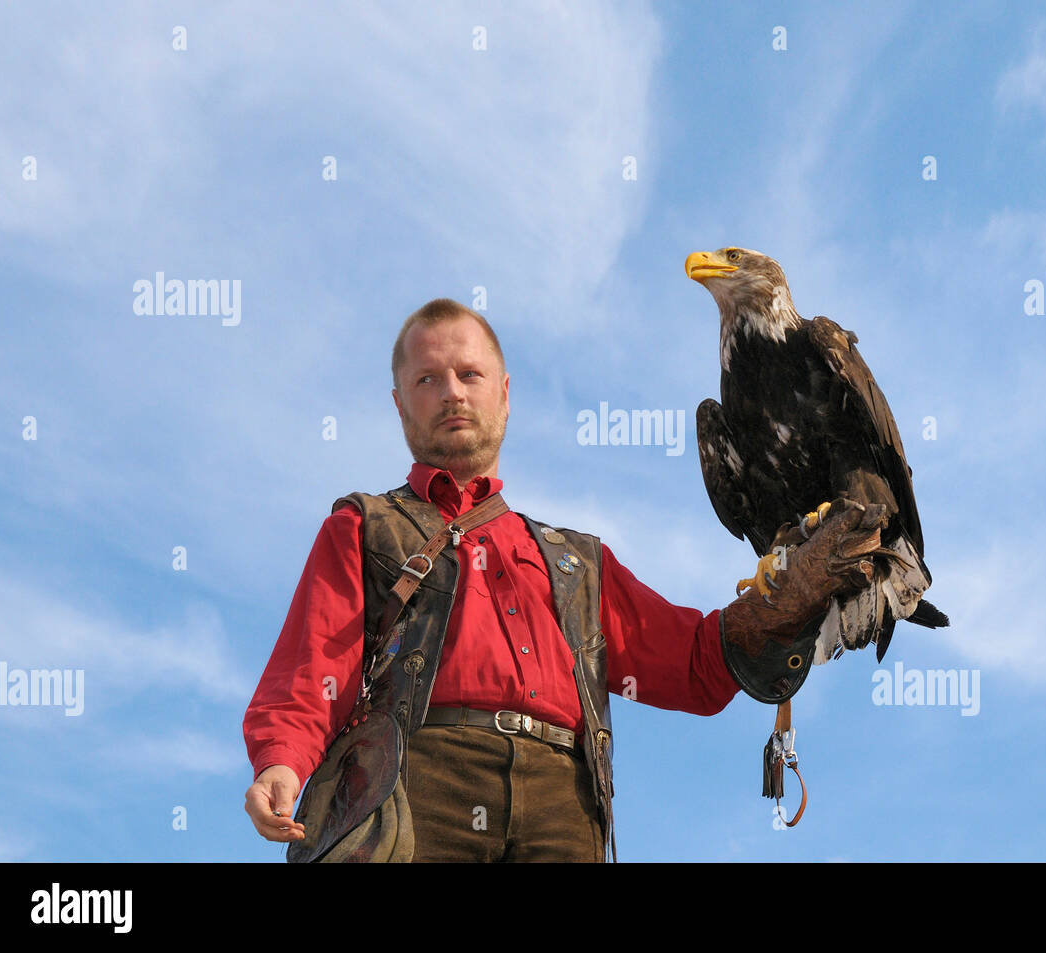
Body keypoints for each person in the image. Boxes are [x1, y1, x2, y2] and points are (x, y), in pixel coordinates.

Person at [242, 298, 865, 862]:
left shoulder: (578, 563)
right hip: (417, 784)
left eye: (469, 374)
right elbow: (312, 670)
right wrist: (281, 763)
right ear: (400, 402)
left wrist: (783, 604)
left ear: (504, 393)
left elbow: (696, 662)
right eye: (428, 379)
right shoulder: (364, 529)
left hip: (564, 800)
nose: (452, 393)